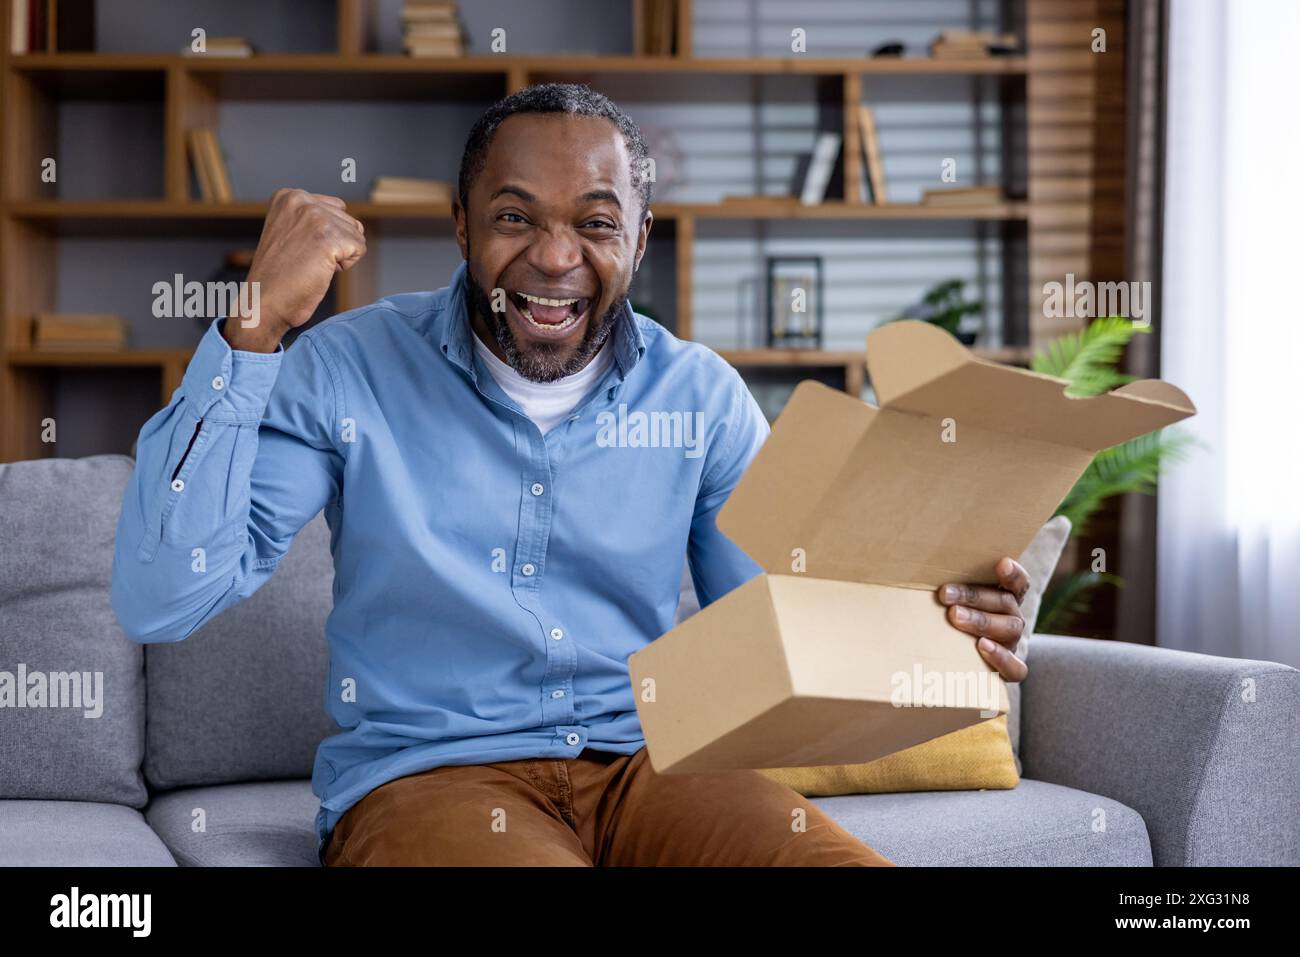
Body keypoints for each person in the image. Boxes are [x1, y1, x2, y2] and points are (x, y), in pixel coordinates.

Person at [111, 84, 1029, 867]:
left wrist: (940, 616)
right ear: (462, 225)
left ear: (638, 237)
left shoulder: (698, 395)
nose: (554, 259)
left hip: (654, 765)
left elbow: (778, 622)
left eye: (595, 222)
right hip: (431, 777)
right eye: (515, 217)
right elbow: (163, 599)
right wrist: (251, 329)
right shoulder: (347, 368)